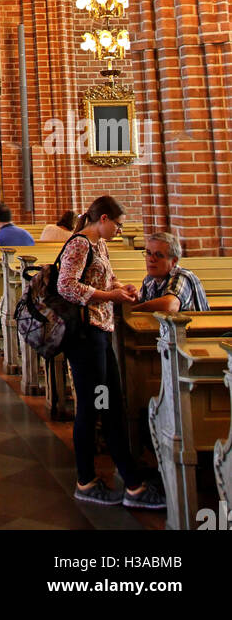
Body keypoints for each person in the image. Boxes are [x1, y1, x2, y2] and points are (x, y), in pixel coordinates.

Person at [57, 194, 165, 509]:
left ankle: (132, 483)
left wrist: (122, 288)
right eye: (117, 224)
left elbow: (105, 277)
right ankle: (86, 481)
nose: (119, 230)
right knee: (92, 408)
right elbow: (66, 286)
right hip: (85, 337)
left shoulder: (98, 244)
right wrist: (108, 295)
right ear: (103, 219)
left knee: (111, 405)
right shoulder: (79, 244)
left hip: (101, 333)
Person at [137, 231, 210, 312]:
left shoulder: (182, 276)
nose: (151, 259)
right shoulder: (149, 279)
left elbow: (169, 305)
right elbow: (141, 302)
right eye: (149, 253)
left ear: (174, 261)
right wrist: (130, 295)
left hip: (194, 324)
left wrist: (132, 310)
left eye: (158, 255)